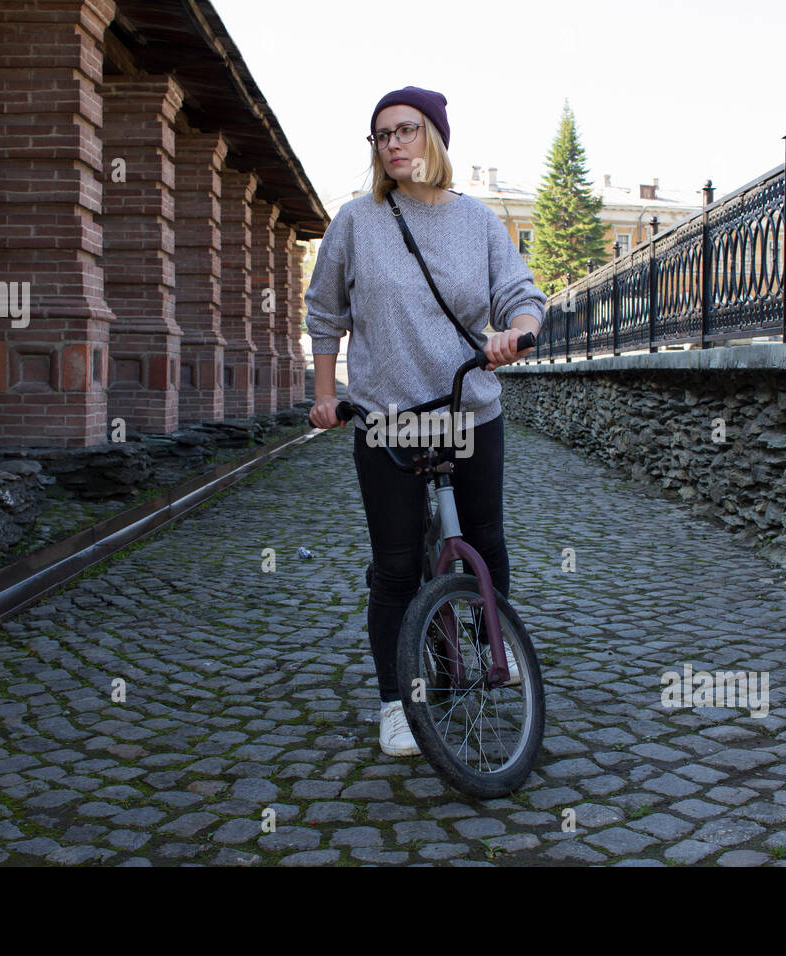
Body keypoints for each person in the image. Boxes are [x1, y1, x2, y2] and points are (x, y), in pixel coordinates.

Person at [304, 86, 546, 757]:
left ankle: (494, 637)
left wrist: (517, 332)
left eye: (406, 130)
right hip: (387, 417)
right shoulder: (356, 221)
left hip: (467, 409)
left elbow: (519, 294)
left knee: (486, 542)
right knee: (395, 567)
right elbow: (325, 314)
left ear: (434, 137)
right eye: (381, 136)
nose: (393, 145)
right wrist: (327, 395)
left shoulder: (478, 223)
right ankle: (394, 700)